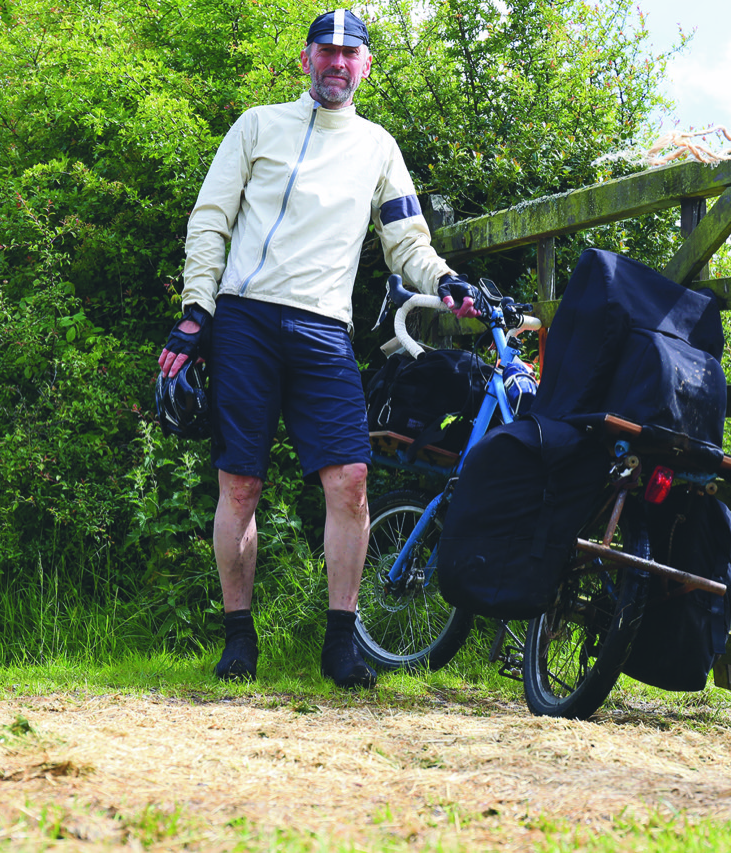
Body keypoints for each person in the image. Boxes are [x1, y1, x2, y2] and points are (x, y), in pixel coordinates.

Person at [157, 8, 481, 689]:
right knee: (240, 484)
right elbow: (210, 220)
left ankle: (342, 643)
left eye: (349, 54)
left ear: (365, 67)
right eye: (325, 52)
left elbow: (407, 242)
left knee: (352, 482)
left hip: (323, 328)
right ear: (305, 60)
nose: (336, 63)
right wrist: (196, 313)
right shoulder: (256, 126)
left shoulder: (378, 148)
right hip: (244, 319)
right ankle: (238, 638)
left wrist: (446, 281)